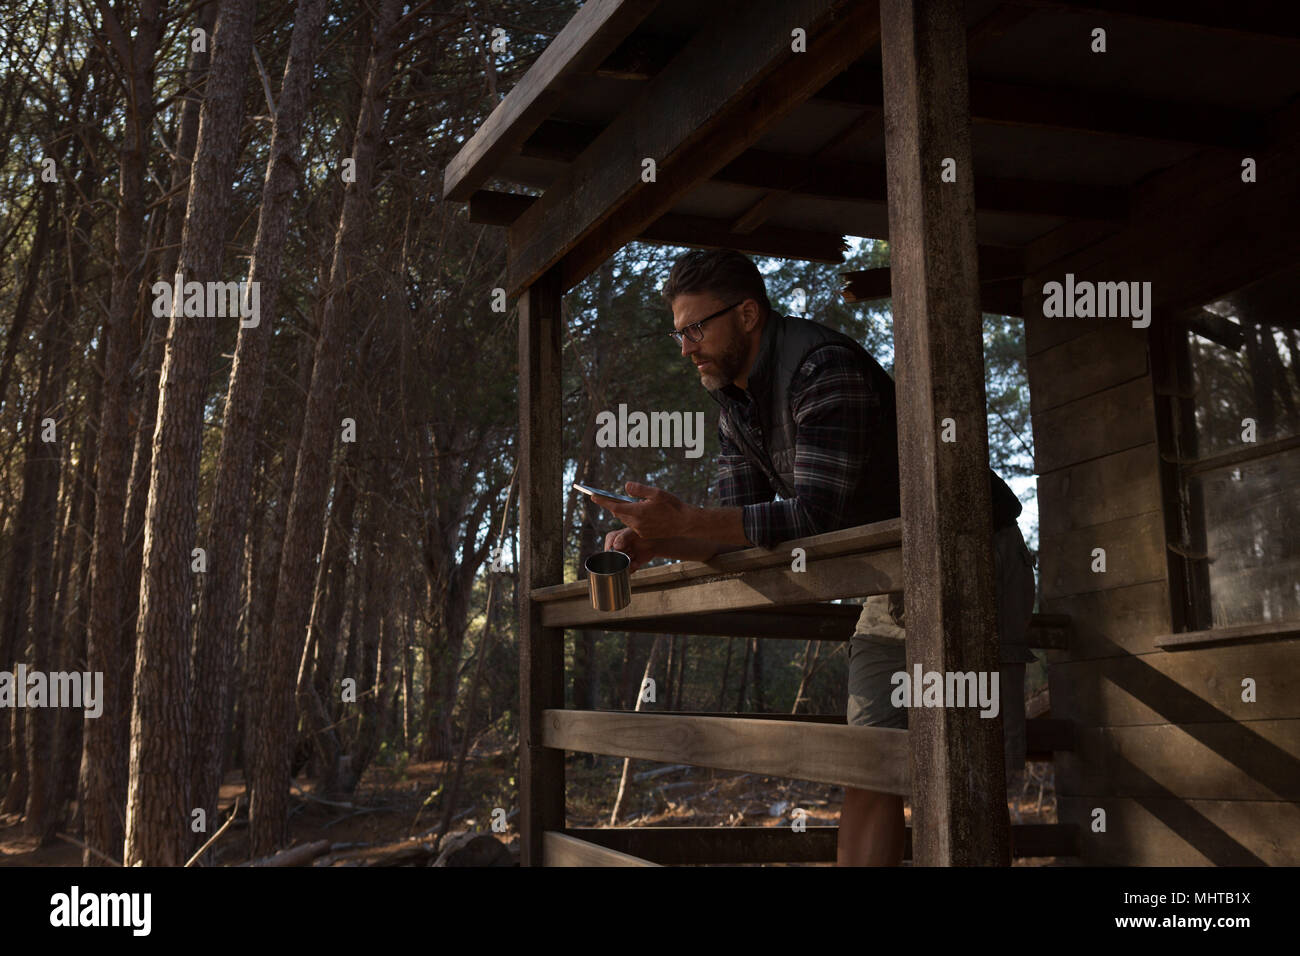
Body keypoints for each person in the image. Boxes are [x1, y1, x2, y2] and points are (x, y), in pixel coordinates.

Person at [593, 249, 1036, 866]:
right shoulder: (734, 403)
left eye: (697, 328)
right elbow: (737, 527)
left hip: (970, 560)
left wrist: (686, 522)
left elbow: (813, 515)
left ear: (747, 314)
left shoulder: (824, 368)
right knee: (869, 760)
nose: (686, 346)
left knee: (965, 770)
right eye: (679, 333)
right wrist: (656, 541)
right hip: (890, 578)